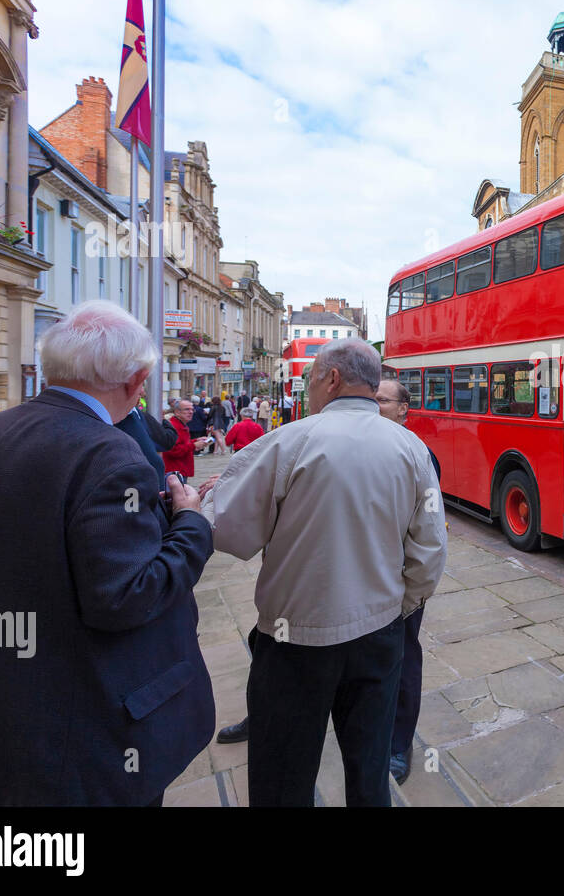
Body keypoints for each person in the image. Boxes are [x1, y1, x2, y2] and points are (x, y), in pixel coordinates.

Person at [0, 300, 214, 805]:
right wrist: (191, 521)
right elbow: (129, 596)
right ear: (136, 380)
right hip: (80, 735)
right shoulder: (109, 453)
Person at [201, 339, 446, 806]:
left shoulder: (290, 440)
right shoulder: (411, 448)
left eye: (310, 380)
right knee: (370, 771)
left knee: (283, 777)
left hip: (296, 639)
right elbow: (431, 548)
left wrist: (202, 502)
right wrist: (400, 604)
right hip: (378, 633)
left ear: (331, 379)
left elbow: (229, 531)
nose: (308, 391)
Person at [376, 378, 441, 784]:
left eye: (381, 400)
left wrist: (412, 595)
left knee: (402, 660)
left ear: (404, 409)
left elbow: (429, 536)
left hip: (399, 583)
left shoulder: (419, 454)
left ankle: (399, 744)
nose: (373, 405)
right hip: (357, 578)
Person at [162, 397, 198, 479]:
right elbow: (174, 451)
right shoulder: (174, 427)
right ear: (177, 412)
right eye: (187, 409)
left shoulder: (181, 424)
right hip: (175, 471)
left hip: (181, 469)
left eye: (192, 409)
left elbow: (183, 443)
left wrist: (196, 441)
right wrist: (194, 445)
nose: (191, 412)